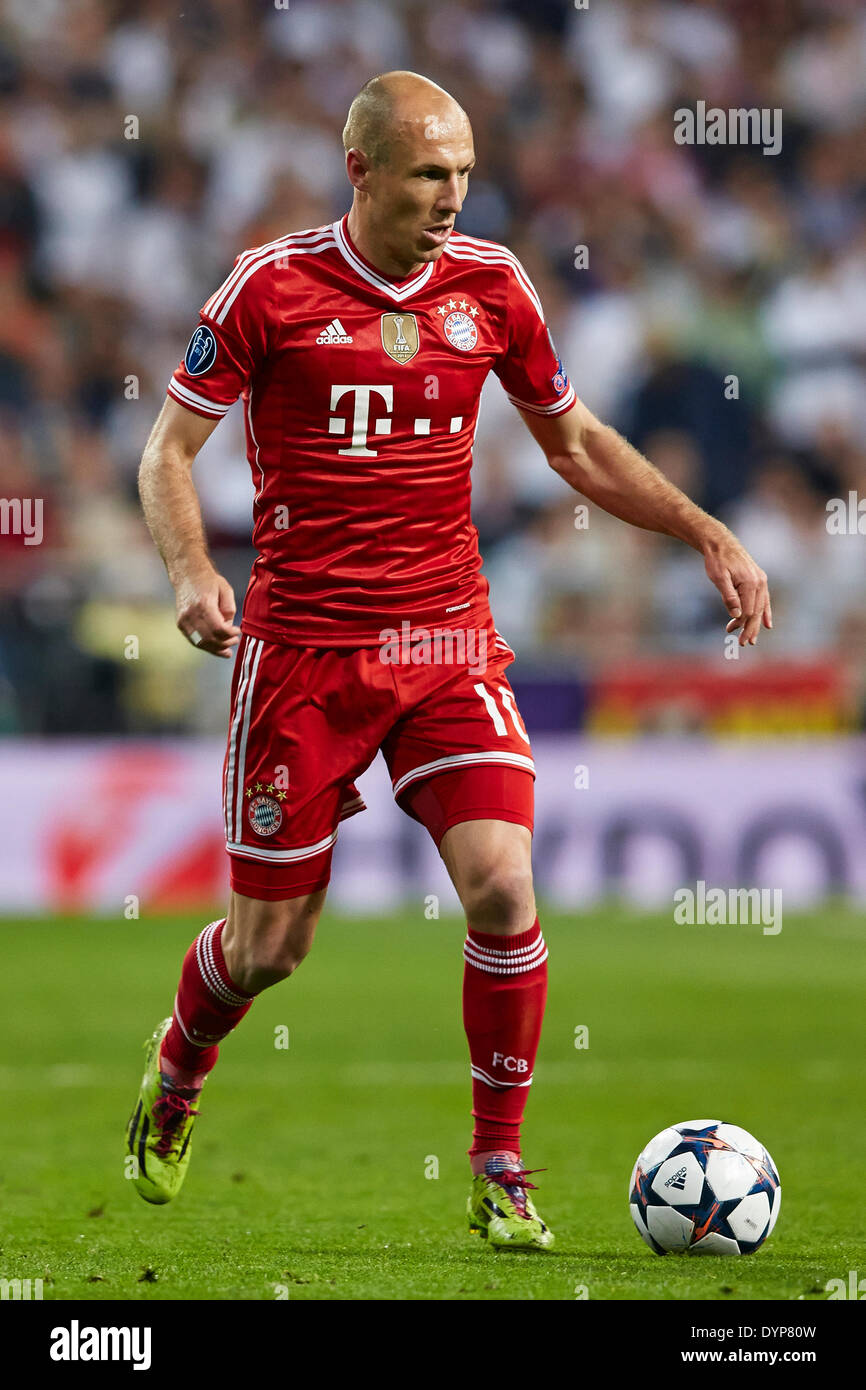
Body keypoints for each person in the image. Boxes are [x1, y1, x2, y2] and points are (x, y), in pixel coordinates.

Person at [128, 71, 771, 1250]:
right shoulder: (269, 288)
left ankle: (497, 1163)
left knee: (504, 889)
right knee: (270, 949)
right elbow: (168, 450)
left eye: (464, 173)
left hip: (446, 643)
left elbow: (572, 441)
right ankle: (179, 1067)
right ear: (360, 169)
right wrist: (188, 572)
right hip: (304, 654)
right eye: (429, 174)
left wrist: (703, 528)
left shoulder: (493, 285)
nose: (451, 197)